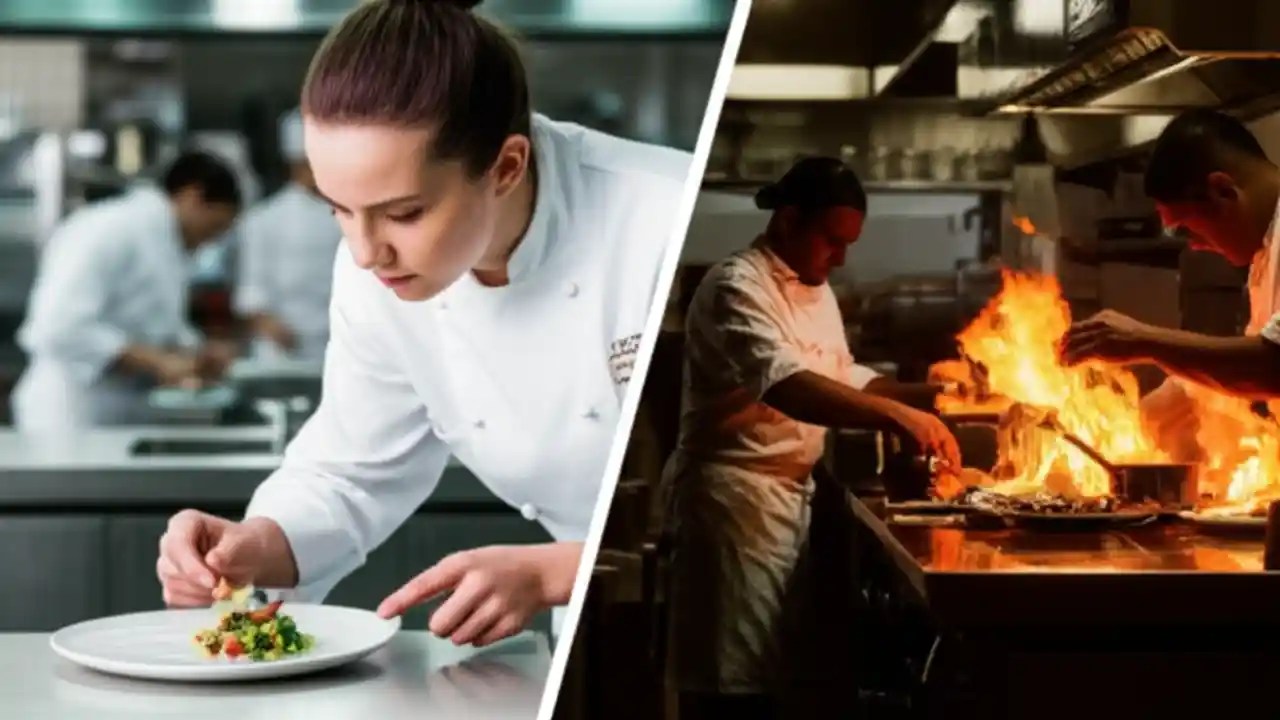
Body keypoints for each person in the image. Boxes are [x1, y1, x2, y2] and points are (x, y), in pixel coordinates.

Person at [155, 0, 693, 647]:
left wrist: (560, 569)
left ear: (506, 167)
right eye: (339, 210)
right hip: (603, 626)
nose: (364, 251)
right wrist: (259, 544)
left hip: (704, 603)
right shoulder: (372, 268)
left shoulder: (663, 223)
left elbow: (745, 492)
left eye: (404, 212)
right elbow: (350, 469)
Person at [661, 156, 961, 719]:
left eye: (848, 244)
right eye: (832, 240)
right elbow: (789, 387)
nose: (841, 258)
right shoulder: (735, 286)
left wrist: (940, 396)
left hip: (791, 502)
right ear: (789, 220)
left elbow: (842, 376)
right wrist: (898, 419)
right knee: (730, 686)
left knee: (771, 676)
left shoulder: (814, 287)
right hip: (734, 507)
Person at [1061, 110, 1280, 451]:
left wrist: (1144, 340)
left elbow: (1270, 367)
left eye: (1186, 227)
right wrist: (1116, 429)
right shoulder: (1266, 255)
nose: (1192, 244)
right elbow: (1236, 373)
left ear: (1222, 191)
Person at [11, 151, 242, 432]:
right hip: (71, 413)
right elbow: (58, 327)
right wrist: (158, 362)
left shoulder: (164, 242)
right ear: (193, 197)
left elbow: (148, 324)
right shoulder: (112, 228)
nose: (211, 241)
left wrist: (194, 352)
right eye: (215, 227)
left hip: (117, 414)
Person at [234, 108, 344, 361]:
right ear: (296, 164)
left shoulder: (350, 214)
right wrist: (267, 323)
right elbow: (250, 291)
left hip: (340, 345)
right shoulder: (264, 218)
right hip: (281, 351)